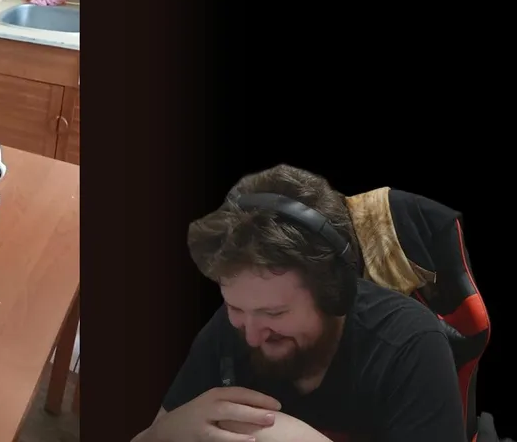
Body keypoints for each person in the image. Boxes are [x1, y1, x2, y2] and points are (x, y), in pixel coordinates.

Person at [133, 164, 466, 442]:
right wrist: (168, 430)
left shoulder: (410, 345)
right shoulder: (232, 327)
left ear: (333, 294)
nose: (251, 336)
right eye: (235, 308)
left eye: (274, 313)